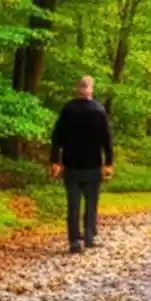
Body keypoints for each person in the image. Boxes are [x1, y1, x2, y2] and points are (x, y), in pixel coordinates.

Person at [49, 75, 115, 253]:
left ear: (77, 88)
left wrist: (55, 160)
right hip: (92, 165)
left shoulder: (68, 109)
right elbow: (107, 139)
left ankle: (74, 241)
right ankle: (88, 236)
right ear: (91, 89)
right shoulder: (99, 110)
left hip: (72, 165)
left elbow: (57, 137)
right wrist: (108, 162)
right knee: (91, 202)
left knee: (73, 204)